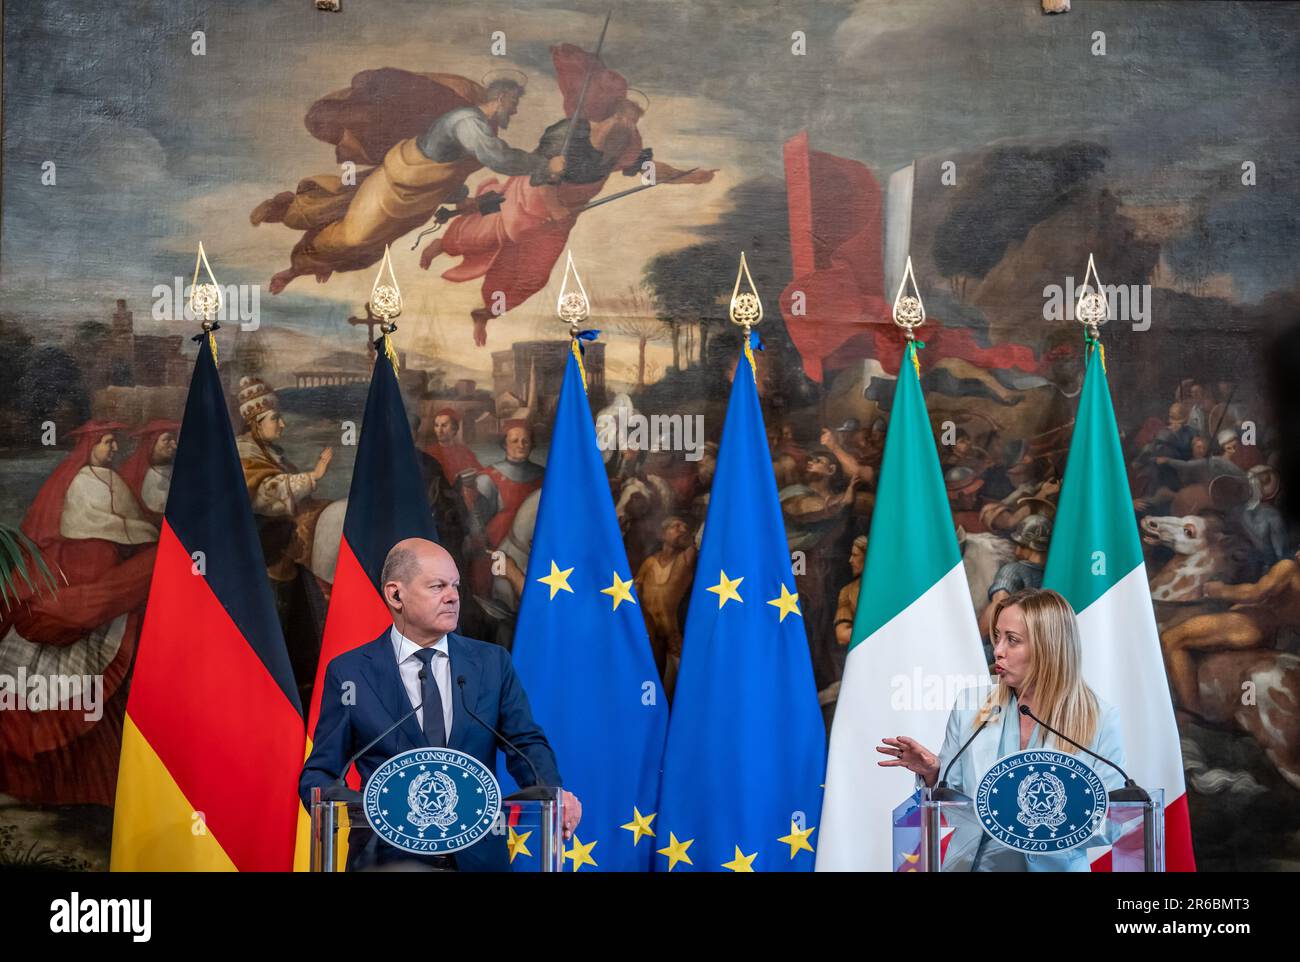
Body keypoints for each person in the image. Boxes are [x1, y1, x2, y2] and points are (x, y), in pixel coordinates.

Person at [300, 537, 581, 871]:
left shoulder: (491, 664)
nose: (452, 597)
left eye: (455, 586)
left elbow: (525, 743)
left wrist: (552, 793)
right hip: (387, 859)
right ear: (395, 594)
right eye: (437, 586)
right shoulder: (350, 672)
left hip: (477, 858)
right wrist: (326, 807)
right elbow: (321, 770)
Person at [877, 588, 1126, 871]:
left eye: (1013, 640)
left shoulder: (1100, 718)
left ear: (1049, 647)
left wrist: (1041, 826)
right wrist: (933, 773)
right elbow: (953, 799)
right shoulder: (972, 706)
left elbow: (1113, 819)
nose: (998, 651)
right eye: (997, 637)